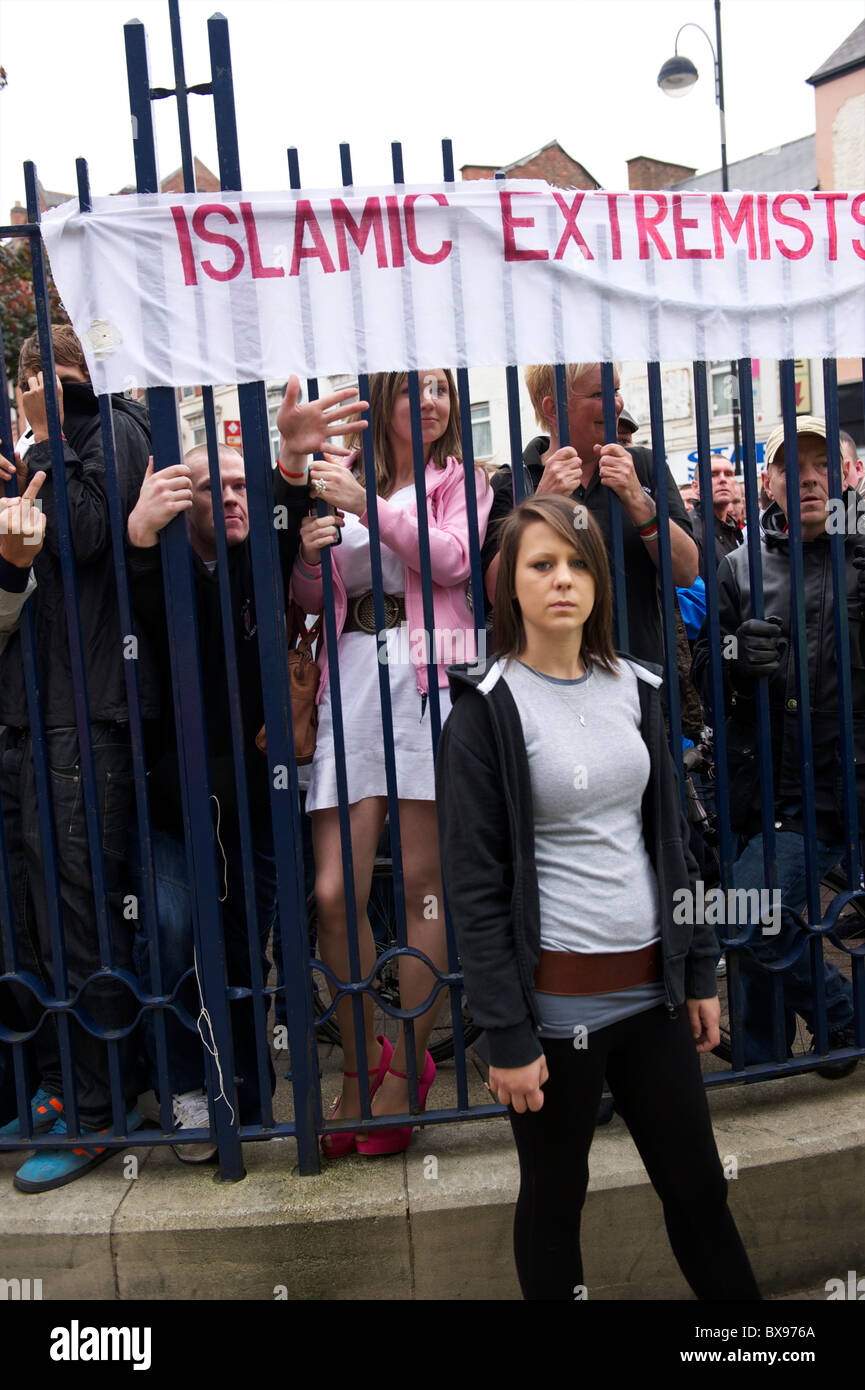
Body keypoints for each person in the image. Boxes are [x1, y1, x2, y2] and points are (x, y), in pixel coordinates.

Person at [436, 494, 760, 1301]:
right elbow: (473, 886)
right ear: (509, 582)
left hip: (652, 995)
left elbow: (672, 844)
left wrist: (698, 971)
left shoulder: (636, 687)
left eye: (578, 563)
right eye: (541, 565)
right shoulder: (485, 710)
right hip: (556, 1012)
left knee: (697, 1191)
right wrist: (505, 1033)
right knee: (554, 1201)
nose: (562, 580)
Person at [283, 369, 493, 1156]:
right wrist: (310, 555)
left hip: (430, 672)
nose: (432, 403)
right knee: (334, 892)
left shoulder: (461, 481)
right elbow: (313, 598)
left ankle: (405, 1070)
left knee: (421, 888)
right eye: (416, 390)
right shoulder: (341, 476)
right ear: (384, 403)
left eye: (442, 389)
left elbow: (450, 563)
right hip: (351, 679)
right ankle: (362, 1058)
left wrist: (361, 507)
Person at [0, 327, 155, 1193]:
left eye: (49, 379)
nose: (34, 392)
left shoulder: (115, 428)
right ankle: (66, 1086)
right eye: (25, 378)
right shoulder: (40, 456)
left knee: (86, 913)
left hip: (87, 714)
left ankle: (100, 1111)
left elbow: (92, 534)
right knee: (40, 921)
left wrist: (51, 444)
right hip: (35, 713)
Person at [125, 440, 310, 1158]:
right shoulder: (158, 565)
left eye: (242, 485)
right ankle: (187, 1094)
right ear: (182, 500)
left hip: (255, 797)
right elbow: (143, 612)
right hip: (172, 803)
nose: (234, 498)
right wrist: (141, 539)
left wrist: (290, 457)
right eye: (214, 488)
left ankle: (250, 1091)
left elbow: (289, 513)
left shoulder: (257, 558)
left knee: (244, 949)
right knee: (170, 939)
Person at [692, 415, 861, 1073]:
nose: (809, 477)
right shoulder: (738, 566)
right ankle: (782, 1050)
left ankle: (842, 1020)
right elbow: (704, 665)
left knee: (747, 916)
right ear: (768, 481)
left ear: (845, 476)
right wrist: (736, 657)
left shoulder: (862, 554)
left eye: (822, 464)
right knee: (755, 916)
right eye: (793, 465)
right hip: (756, 780)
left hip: (835, 785)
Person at [481, 362, 697, 665]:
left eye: (617, 390)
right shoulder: (515, 481)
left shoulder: (644, 466)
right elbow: (496, 590)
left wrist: (637, 499)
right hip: (550, 680)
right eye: (598, 394)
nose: (616, 403)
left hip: (638, 678)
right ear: (553, 409)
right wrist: (542, 503)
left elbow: (687, 572)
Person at [688, 453, 743, 578]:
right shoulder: (691, 530)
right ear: (696, 487)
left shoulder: (733, 529)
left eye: (728, 474)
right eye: (713, 474)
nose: (723, 479)